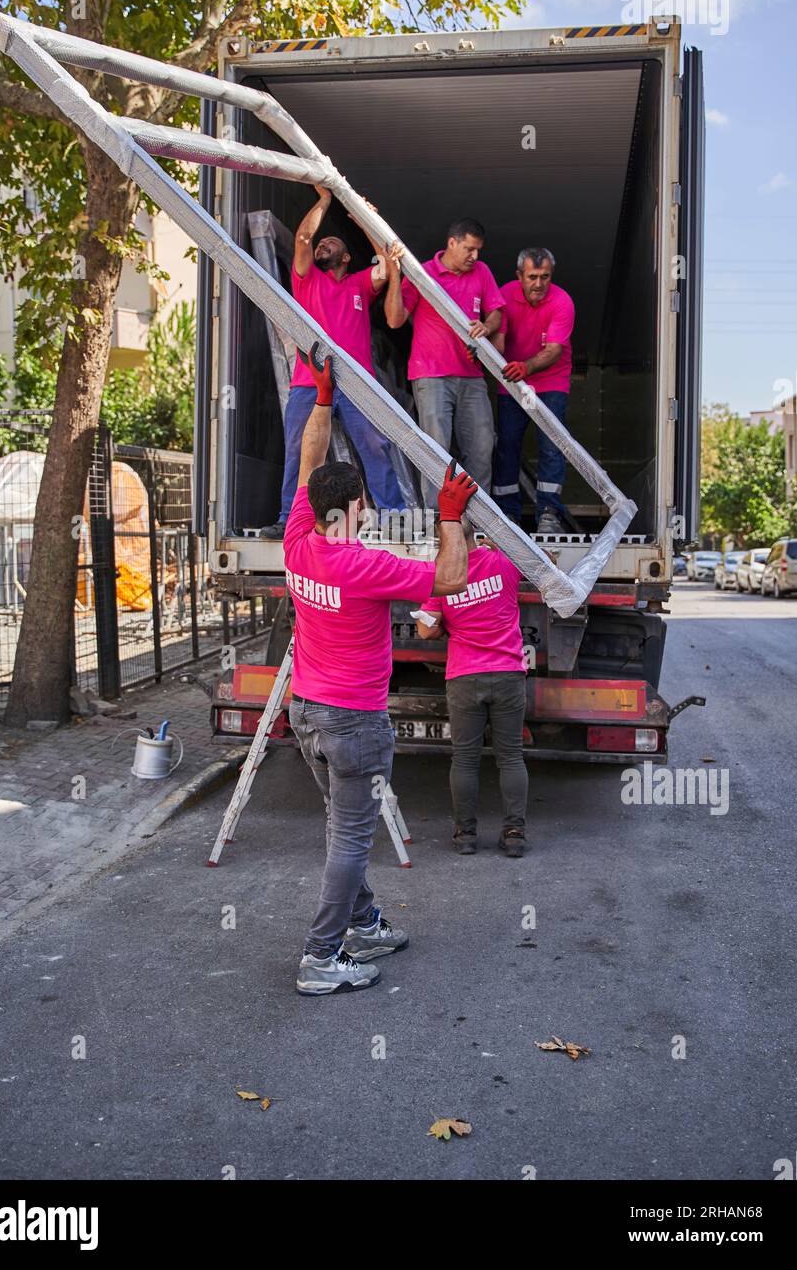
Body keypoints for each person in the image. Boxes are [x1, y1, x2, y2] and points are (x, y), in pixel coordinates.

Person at [285, 343, 476, 995]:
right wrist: (449, 517)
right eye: (364, 500)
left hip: (307, 713)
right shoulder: (366, 568)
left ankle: (361, 923)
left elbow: (311, 460)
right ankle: (320, 957)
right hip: (353, 723)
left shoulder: (299, 539)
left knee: (344, 826)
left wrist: (322, 398)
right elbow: (449, 578)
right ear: (357, 509)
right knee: (350, 842)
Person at [259, 185, 406, 540]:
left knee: (376, 447)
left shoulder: (357, 285)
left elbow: (387, 268)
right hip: (310, 382)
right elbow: (304, 237)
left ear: (346, 258)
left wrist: (367, 221)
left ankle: (395, 518)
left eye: (332, 244)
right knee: (298, 451)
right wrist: (325, 198)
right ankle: (288, 518)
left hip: (356, 386)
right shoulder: (307, 280)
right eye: (321, 244)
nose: (323, 244)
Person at [416, 519, 529, 857]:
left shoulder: (444, 579)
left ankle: (465, 835)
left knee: (465, 759)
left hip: (464, 677)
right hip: (509, 673)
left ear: (447, 541)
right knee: (510, 757)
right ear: (475, 535)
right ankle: (514, 835)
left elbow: (425, 631)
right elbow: (543, 563)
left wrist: (441, 625)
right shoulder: (503, 563)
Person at [383, 217, 504, 508]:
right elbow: (394, 319)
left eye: (478, 250)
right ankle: (438, 517)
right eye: (469, 248)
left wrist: (486, 326)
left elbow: (497, 312)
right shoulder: (423, 274)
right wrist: (396, 276)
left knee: (483, 445)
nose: (474, 256)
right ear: (452, 243)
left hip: (472, 377)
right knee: (436, 447)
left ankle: (480, 519)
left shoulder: (482, 272)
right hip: (431, 375)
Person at [491, 248, 575, 535]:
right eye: (532, 277)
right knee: (507, 446)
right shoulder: (504, 294)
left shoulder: (562, 302)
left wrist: (525, 367)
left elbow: (553, 351)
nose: (538, 284)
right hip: (512, 382)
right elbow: (498, 342)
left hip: (550, 381)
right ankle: (507, 514)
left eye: (545, 277)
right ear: (519, 276)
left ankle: (549, 514)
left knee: (552, 447)